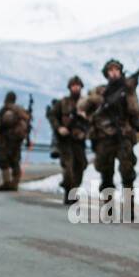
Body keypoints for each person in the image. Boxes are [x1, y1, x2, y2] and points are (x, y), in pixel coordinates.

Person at [80, 59, 139, 193]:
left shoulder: (127, 90)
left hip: (123, 136)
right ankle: (108, 210)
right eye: (111, 70)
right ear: (107, 73)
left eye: (117, 70)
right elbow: (82, 106)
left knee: (127, 174)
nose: (114, 73)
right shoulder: (99, 90)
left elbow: (135, 111)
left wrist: (130, 92)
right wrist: (96, 99)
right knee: (106, 175)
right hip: (104, 138)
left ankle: (128, 210)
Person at [47, 75, 89, 203]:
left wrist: (85, 117)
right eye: (73, 86)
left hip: (79, 141)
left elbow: (94, 118)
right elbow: (52, 115)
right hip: (65, 141)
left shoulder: (86, 103)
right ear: (70, 87)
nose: (75, 88)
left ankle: (72, 190)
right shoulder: (63, 102)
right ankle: (69, 193)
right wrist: (59, 128)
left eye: (78, 86)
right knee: (68, 166)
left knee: (80, 166)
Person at [0, 91, 31, 192]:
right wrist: (27, 139)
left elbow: (0, 125)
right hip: (17, 140)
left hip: (6, 139)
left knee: (3, 161)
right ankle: (15, 183)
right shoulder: (21, 110)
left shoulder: (4, 109)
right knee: (15, 161)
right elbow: (28, 126)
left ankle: (7, 183)